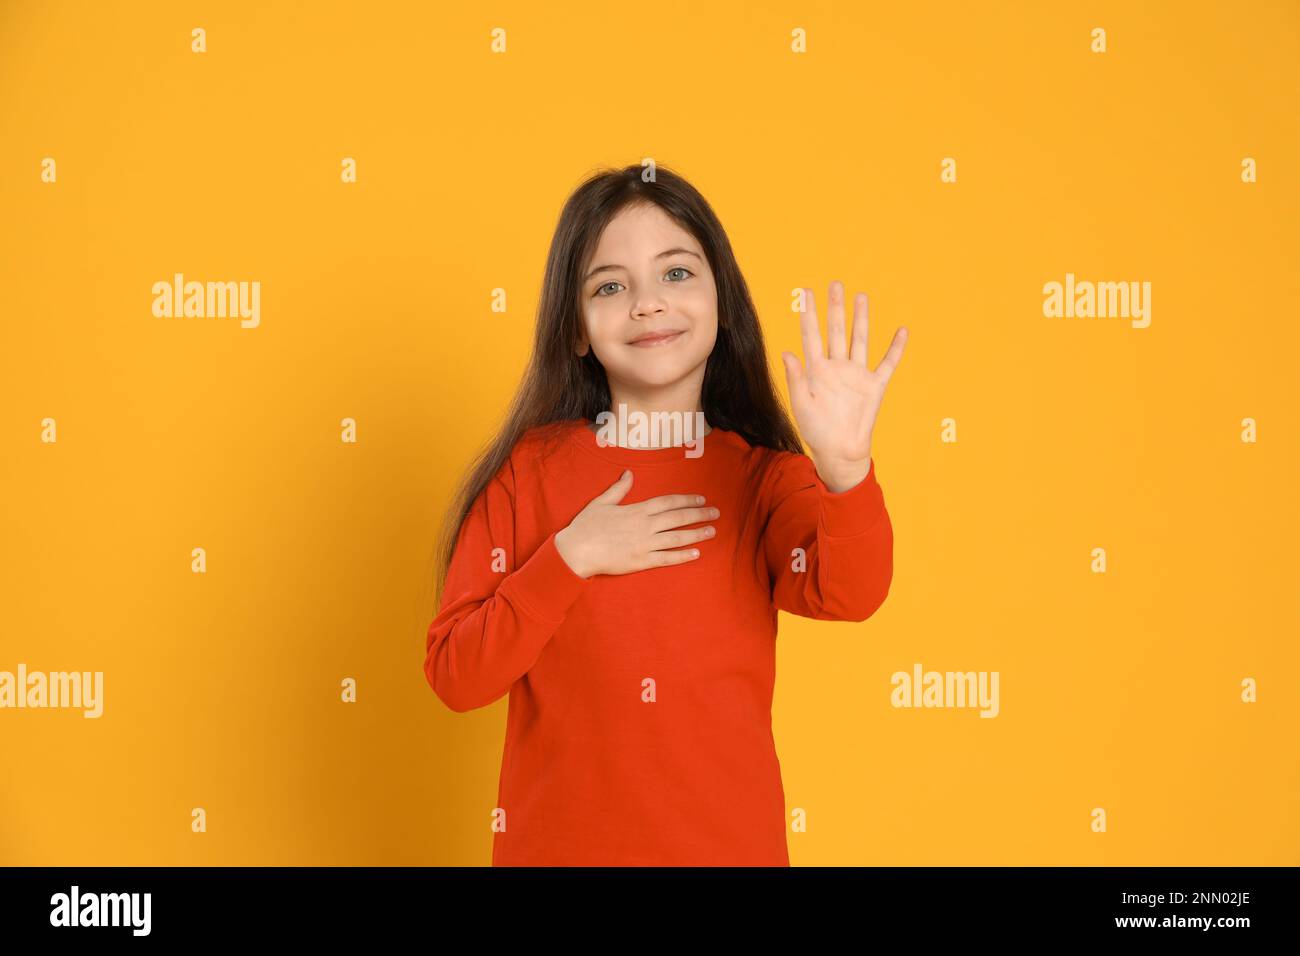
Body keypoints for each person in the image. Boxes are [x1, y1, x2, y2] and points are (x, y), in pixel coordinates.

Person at [425, 163, 908, 866]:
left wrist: (845, 474)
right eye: (611, 286)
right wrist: (569, 557)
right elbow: (456, 677)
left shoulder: (764, 479)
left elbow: (854, 593)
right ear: (577, 331)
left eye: (676, 274)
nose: (647, 304)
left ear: (723, 303)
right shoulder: (529, 476)